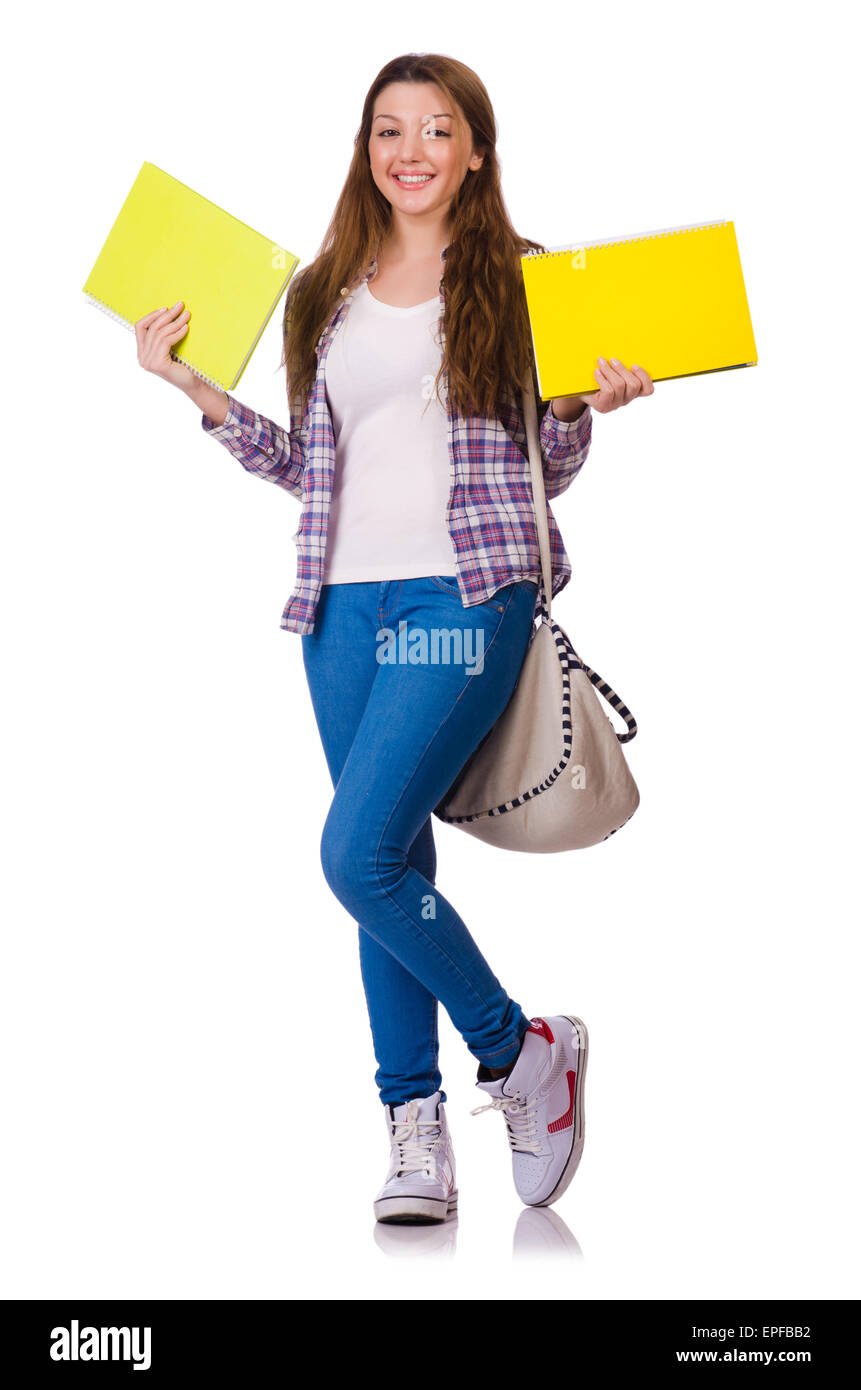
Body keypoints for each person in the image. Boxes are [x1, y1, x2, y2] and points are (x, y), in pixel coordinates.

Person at [134, 52, 654, 1225]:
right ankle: (413, 1133)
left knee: (353, 854)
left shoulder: (523, 280)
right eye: (388, 131)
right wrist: (201, 398)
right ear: (366, 150)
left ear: (477, 149)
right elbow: (313, 468)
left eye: (436, 129)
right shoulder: (328, 287)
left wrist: (577, 406)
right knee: (390, 867)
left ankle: (518, 1051)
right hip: (341, 608)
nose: (410, 151)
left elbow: (543, 471)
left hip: (464, 595)